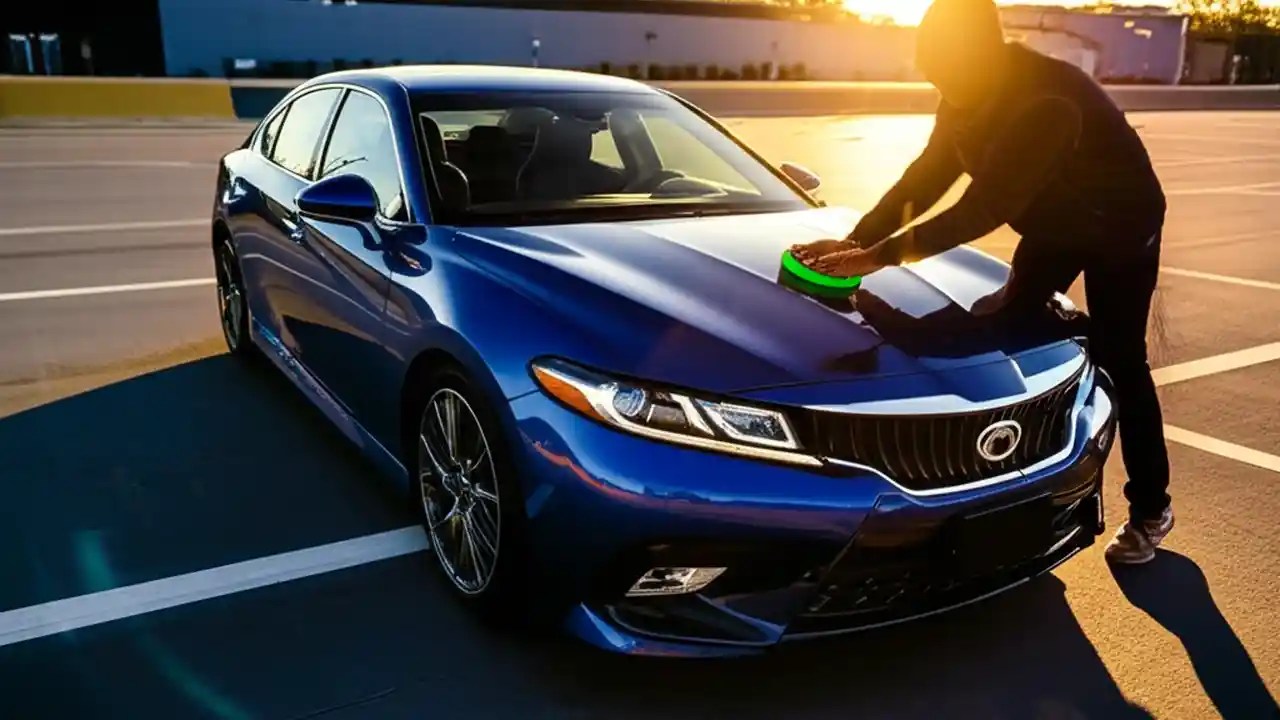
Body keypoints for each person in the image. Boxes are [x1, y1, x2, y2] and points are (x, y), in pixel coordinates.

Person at [790, 0, 1173, 564]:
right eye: (930, 70)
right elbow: (924, 179)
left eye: (945, 69)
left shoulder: (1046, 100)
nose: (938, 82)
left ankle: (1151, 509)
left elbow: (981, 209)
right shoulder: (964, 94)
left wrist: (876, 259)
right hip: (1054, 223)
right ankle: (1012, 471)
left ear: (984, 58)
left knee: (1121, 358)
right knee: (1000, 324)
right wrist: (856, 240)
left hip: (1120, 228)